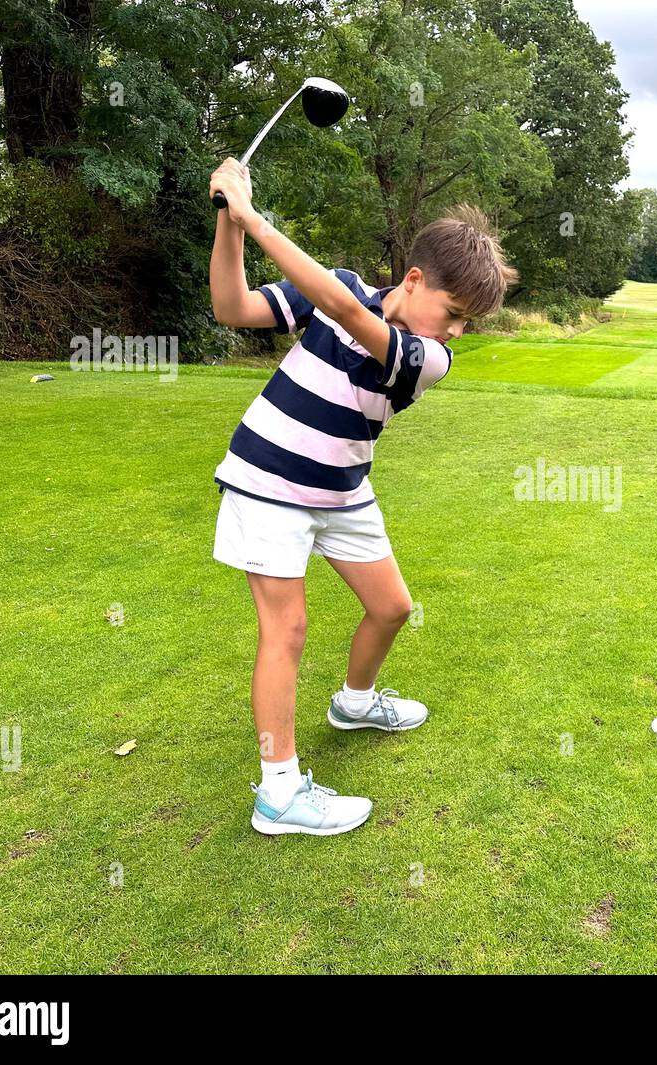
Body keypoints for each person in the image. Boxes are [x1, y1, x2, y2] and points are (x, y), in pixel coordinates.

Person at [207, 157, 517, 835]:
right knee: (286, 630)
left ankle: (354, 700)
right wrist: (230, 225)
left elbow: (345, 309)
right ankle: (279, 793)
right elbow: (232, 308)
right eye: (455, 312)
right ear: (413, 281)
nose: (459, 331)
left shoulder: (427, 357)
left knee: (393, 606)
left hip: (342, 488)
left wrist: (253, 214)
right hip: (268, 479)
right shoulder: (339, 285)